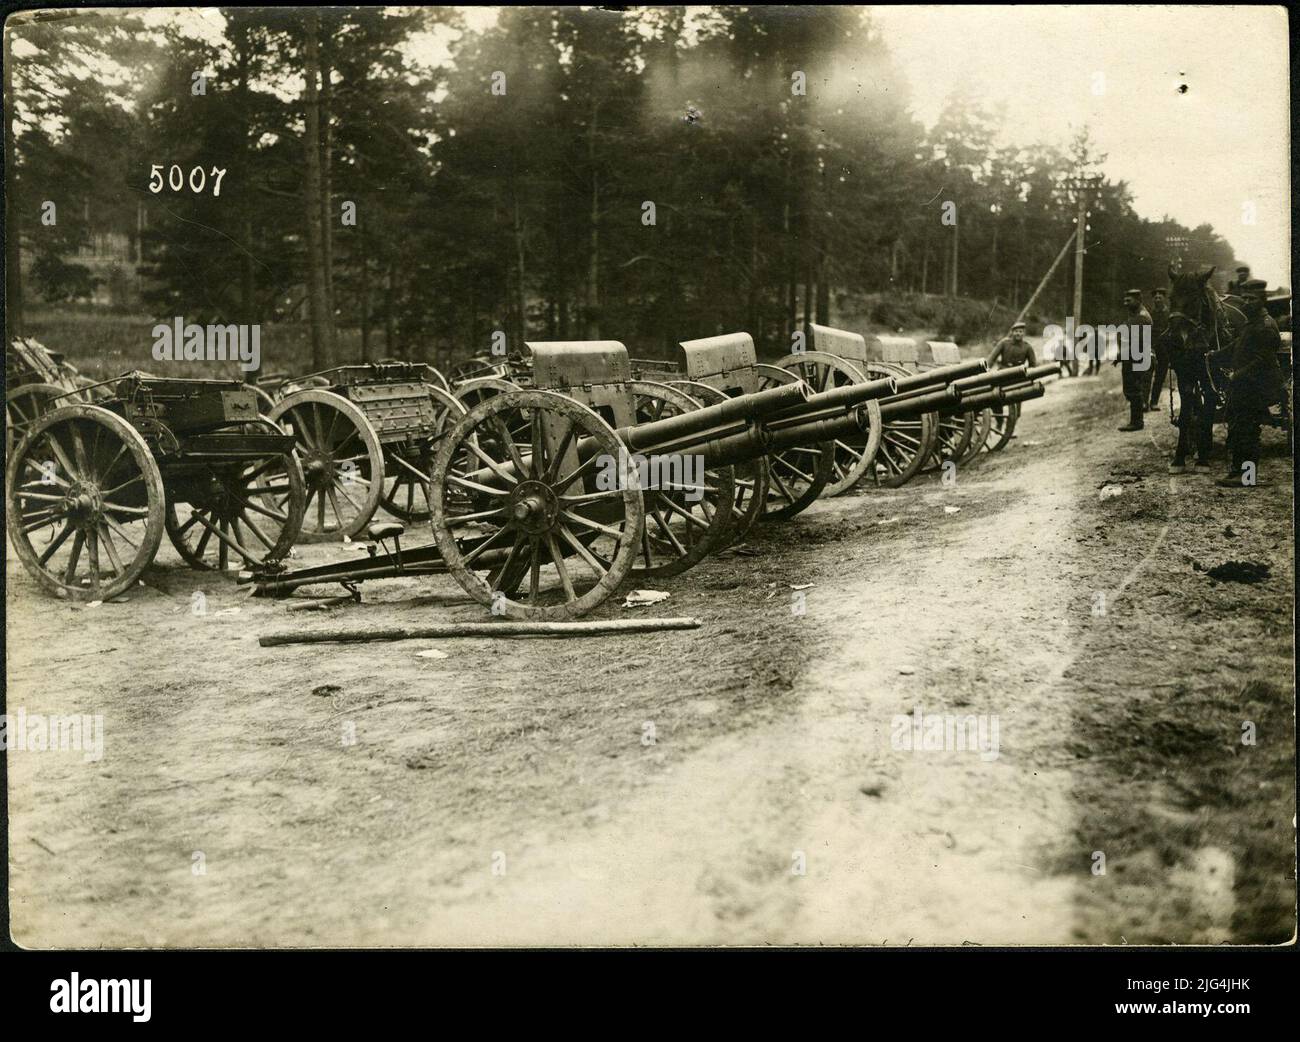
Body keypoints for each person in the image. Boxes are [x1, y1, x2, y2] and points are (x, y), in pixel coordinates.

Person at [1210, 279, 1284, 487]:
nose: (1246, 303)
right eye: (1245, 299)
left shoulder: (1266, 326)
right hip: (1244, 388)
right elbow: (1237, 345)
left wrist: (1237, 375)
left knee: (1249, 433)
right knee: (1237, 429)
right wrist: (1215, 355)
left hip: (1255, 389)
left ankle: (1248, 477)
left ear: (1262, 300)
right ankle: (1237, 472)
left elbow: (1263, 360)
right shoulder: (1251, 323)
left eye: (1252, 299)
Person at [1113, 289, 1152, 430]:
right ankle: (1136, 420)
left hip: (1136, 357)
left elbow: (1138, 343)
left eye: (1129, 300)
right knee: (1131, 389)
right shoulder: (1134, 315)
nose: (1125, 303)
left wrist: (1121, 355)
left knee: (1133, 389)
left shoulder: (1142, 317)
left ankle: (1137, 422)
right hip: (1131, 357)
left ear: (1138, 300)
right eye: (1125, 300)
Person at [1147, 286, 1172, 410]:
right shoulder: (1149, 314)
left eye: (1159, 297)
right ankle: (1144, 403)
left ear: (1164, 299)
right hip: (1150, 349)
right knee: (1146, 376)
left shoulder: (1169, 314)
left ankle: (1154, 402)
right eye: (1155, 298)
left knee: (1160, 377)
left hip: (1164, 350)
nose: (1157, 300)